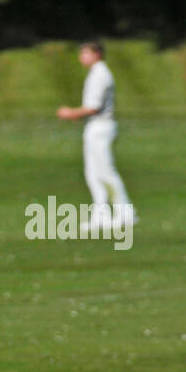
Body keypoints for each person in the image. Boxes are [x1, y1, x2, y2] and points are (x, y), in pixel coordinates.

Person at [56, 40, 134, 231]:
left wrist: (71, 113)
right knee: (92, 173)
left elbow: (93, 107)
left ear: (97, 54)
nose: (82, 58)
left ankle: (125, 214)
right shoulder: (95, 74)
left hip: (101, 127)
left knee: (106, 171)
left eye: (86, 54)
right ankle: (101, 215)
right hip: (93, 127)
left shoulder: (100, 74)